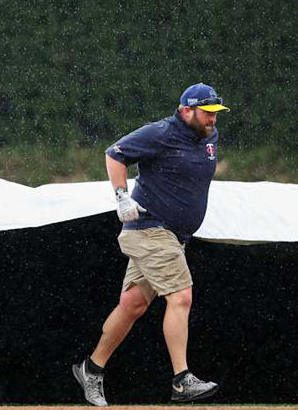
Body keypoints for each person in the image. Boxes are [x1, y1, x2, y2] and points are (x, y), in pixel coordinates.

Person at [72, 83, 230, 406]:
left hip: (173, 236)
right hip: (149, 229)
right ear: (186, 110)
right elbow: (115, 154)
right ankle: (182, 381)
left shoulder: (209, 136)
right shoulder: (161, 133)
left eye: (216, 113)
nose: (213, 119)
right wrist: (121, 197)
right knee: (181, 295)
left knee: (133, 304)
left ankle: (92, 368)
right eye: (207, 113)